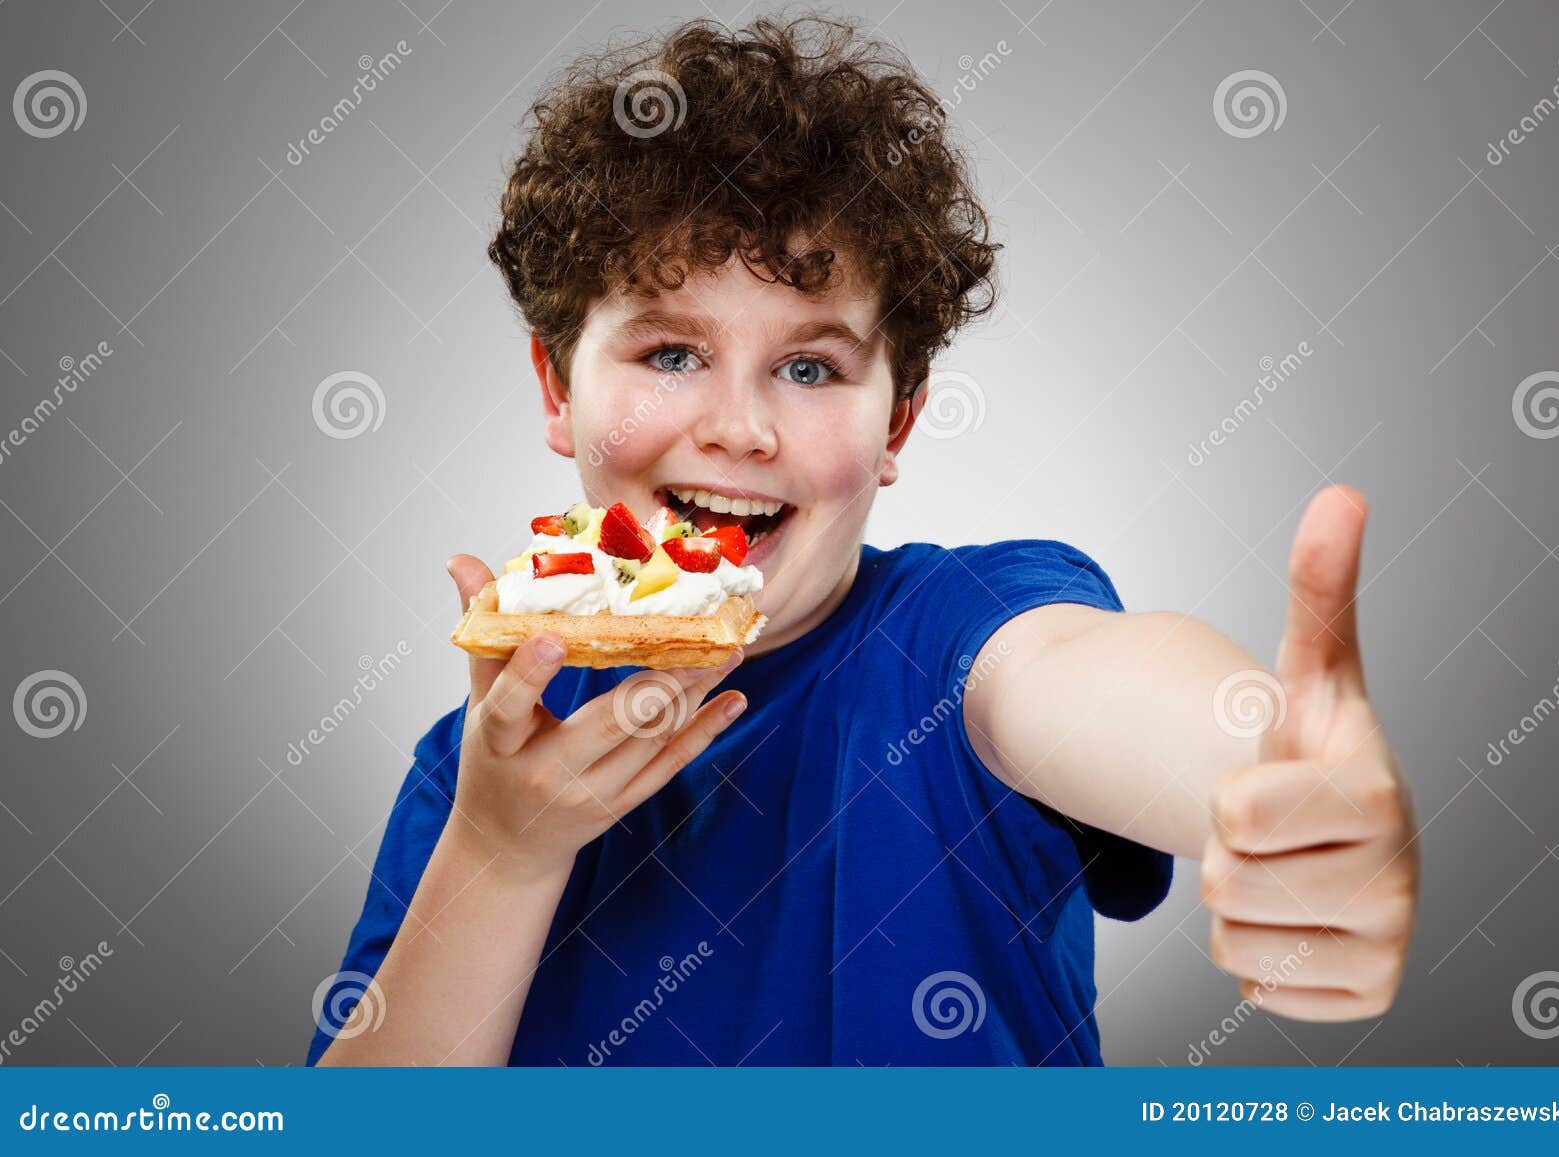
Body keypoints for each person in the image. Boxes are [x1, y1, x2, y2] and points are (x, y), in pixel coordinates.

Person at [309, 13, 1417, 1066]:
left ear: (894, 421)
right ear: (558, 388)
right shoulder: (477, 772)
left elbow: (1084, 683)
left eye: (808, 368)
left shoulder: (955, 638)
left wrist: (1275, 782)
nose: (738, 428)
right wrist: (502, 855)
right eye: (669, 354)